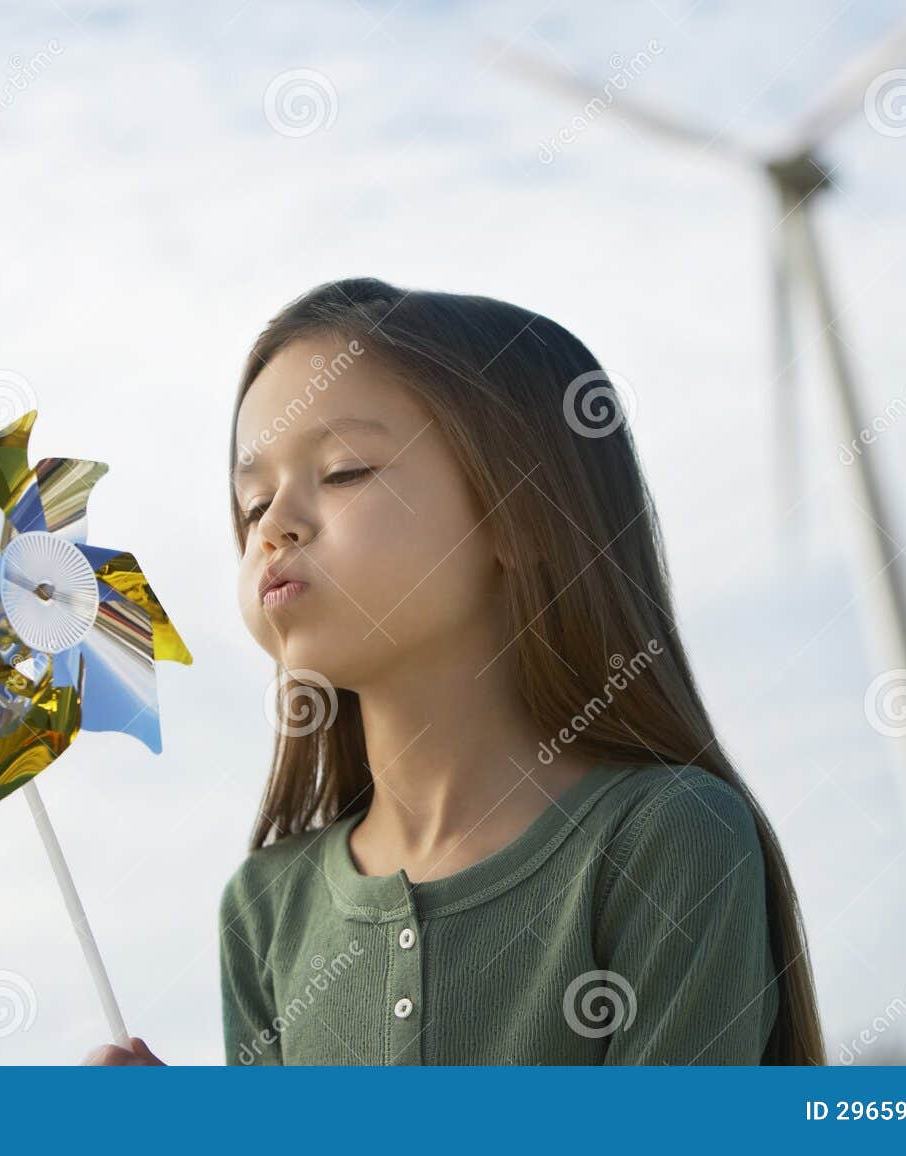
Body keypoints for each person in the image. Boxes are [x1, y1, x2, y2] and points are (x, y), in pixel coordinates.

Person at [84, 277, 823, 1067]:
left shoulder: (664, 839)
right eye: (252, 500)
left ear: (520, 514)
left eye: (344, 472)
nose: (274, 526)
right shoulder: (265, 907)